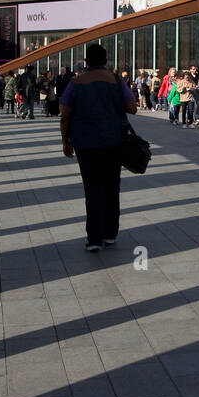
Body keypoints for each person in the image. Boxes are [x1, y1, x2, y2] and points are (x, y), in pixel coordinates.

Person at [59, 43, 137, 253]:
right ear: (104, 61)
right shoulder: (115, 80)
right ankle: (110, 233)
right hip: (113, 141)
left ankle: (94, 238)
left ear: (86, 62)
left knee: (92, 188)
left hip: (85, 143)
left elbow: (65, 114)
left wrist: (65, 141)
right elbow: (132, 107)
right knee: (112, 187)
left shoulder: (75, 82)